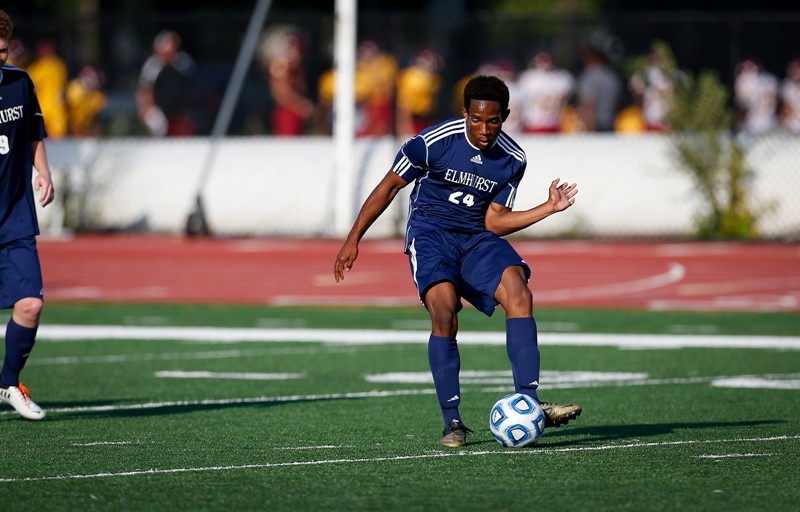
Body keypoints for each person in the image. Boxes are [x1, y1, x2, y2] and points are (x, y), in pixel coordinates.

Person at [334, 75, 582, 447]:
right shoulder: (432, 143)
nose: (484, 129)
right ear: (465, 112)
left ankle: (530, 402)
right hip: (431, 235)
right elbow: (389, 187)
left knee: (519, 293)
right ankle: (453, 422)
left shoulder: (513, 159)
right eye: (476, 119)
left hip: (476, 239)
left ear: (505, 116)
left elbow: (494, 221)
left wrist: (547, 207)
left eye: (493, 121)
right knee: (445, 311)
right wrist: (354, 238)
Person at [0, 9, 55, 421]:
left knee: (31, 305)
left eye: (2, 50)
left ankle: (9, 383)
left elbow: (34, 132)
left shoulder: (20, 82)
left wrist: (44, 172)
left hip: (15, 214)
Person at [136, 30, 196, 136]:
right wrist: (146, 110)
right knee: (158, 126)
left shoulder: (183, 63)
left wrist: (188, 108)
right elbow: (144, 90)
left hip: (179, 113)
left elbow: (190, 87)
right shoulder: (152, 66)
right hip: (159, 113)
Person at [257, 26, 315, 136]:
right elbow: (281, 93)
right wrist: (302, 106)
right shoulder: (281, 67)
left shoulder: (295, 68)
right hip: (289, 112)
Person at [517, 51, 575, 134]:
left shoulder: (562, 78)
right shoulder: (528, 78)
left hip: (556, 123)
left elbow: (566, 102)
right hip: (532, 122)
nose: (544, 66)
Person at [26, 38, 68, 139]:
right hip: (44, 105)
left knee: (54, 136)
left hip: (54, 107)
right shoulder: (38, 67)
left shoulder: (57, 65)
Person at [576, 44, 622, 132]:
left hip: (594, 128)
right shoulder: (612, 77)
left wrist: (589, 132)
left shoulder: (590, 77)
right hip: (612, 125)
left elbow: (588, 106)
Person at [66, 65, 107, 136]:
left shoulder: (97, 97)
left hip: (86, 131)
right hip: (70, 130)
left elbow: (97, 115)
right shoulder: (75, 89)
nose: (91, 81)